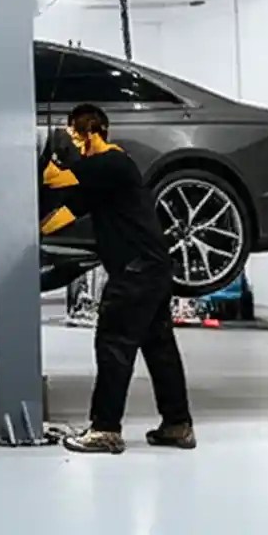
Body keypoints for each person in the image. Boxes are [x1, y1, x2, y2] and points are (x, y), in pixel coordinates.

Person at [39, 103, 195, 454]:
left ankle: (105, 429)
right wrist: (34, 232)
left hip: (136, 272)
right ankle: (177, 425)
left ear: (93, 131)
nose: (73, 144)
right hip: (152, 269)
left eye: (75, 136)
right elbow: (68, 211)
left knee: (113, 344)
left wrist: (48, 152)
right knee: (159, 348)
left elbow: (54, 178)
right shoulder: (103, 176)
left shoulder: (111, 161)